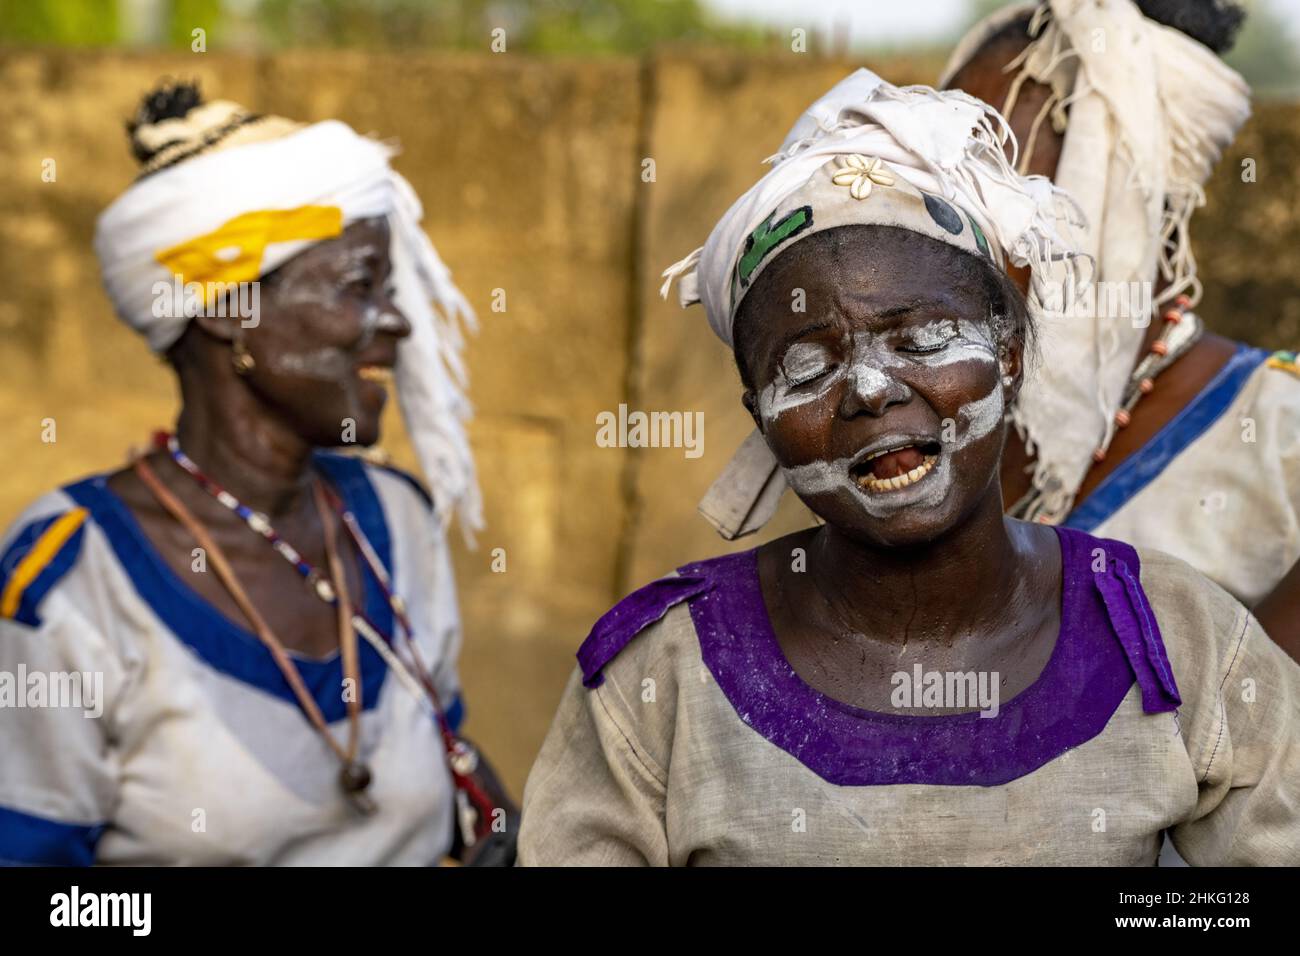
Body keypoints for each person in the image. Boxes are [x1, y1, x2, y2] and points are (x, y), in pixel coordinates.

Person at [516, 70, 1300, 866]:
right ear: (759, 417)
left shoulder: (1177, 635)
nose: (868, 390)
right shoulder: (662, 674)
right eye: (806, 367)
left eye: (922, 340)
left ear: (1011, 354)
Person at [0, 83, 515, 865]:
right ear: (227, 307)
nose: (399, 320)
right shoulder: (71, 579)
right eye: (360, 285)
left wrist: (489, 820)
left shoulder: (395, 523)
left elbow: (449, 766)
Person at [940, 0, 1300, 659]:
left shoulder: (1280, 439)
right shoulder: (918, 438)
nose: (967, 239)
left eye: (1022, 196)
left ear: (1138, 212)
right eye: (947, 190)